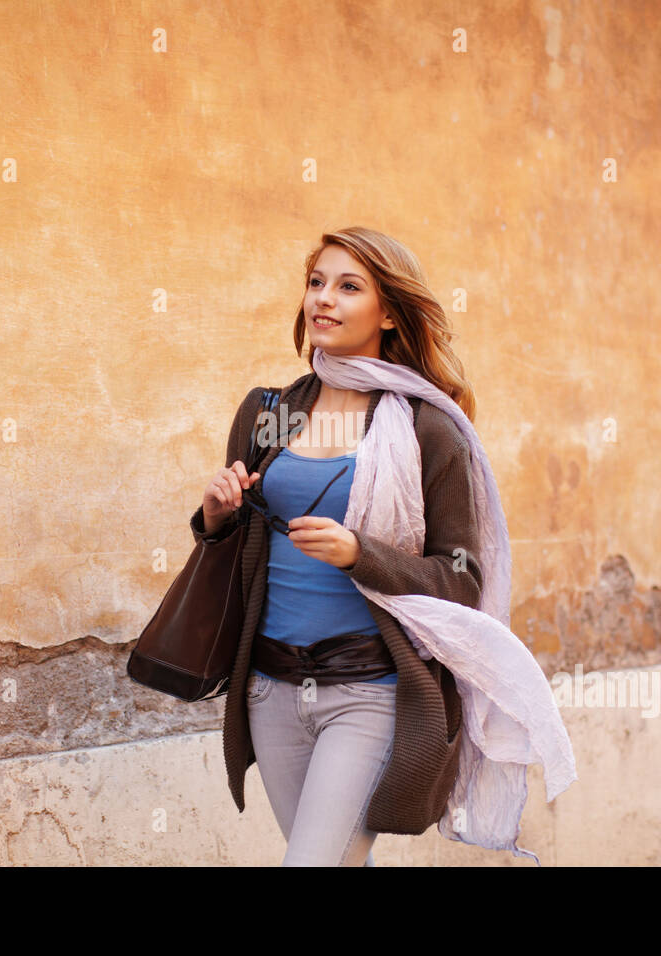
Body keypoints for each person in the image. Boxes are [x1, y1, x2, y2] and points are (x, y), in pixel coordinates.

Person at [192, 226, 485, 865]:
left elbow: (463, 580)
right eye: (316, 282)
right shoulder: (267, 413)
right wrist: (215, 517)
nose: (323, 299)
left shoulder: (427, 428)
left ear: (388, 312)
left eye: (349, 286)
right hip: (269, 688)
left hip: (369, 691)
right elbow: (235, 552)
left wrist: (362, 554)